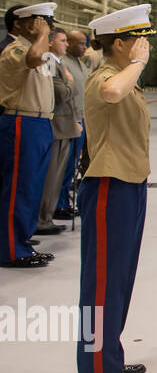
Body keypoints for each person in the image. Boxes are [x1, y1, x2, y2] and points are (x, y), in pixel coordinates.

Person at [77, 4, 156, 373]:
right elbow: (110, 93)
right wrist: (138, 65)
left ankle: (110, 357)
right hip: (110, 185)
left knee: (119, 280)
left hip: (129, 183)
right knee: (102, 283)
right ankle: (96, 369)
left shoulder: (124, 76)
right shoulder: (105, 78)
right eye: (138, 40)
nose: (144, 46)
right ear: (120, 43)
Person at [0, 3, 58, 268]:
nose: (46, 26)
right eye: (40, 21)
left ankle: (21, 241)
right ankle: (11, 250)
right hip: (21, 121)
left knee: (32, 188)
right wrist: (43, 35)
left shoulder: (38, 48)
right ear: (19, 24)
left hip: (41, 123)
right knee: (18, 189)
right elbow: (33, 58)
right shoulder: (16, 49)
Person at [37, 28, 79, 236]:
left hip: (66, 125)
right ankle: (42, 219)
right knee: (51, 177)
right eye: (62, 41)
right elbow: (61, 94)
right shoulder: (50, 62)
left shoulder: (57, 62)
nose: (66, 44)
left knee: (59, 177)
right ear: (51, 42)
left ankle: (47, 216)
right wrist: (71, 81)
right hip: (58, 127)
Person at [53, 31, 91, 220]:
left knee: (76, 163)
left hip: (84, 118)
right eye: (80, 43)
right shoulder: (63, 64)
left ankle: (66, 202)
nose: (83, 47)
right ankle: (59, 204)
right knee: (65, 165)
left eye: (85, 43)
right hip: (71, 120)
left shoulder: (81, 64)